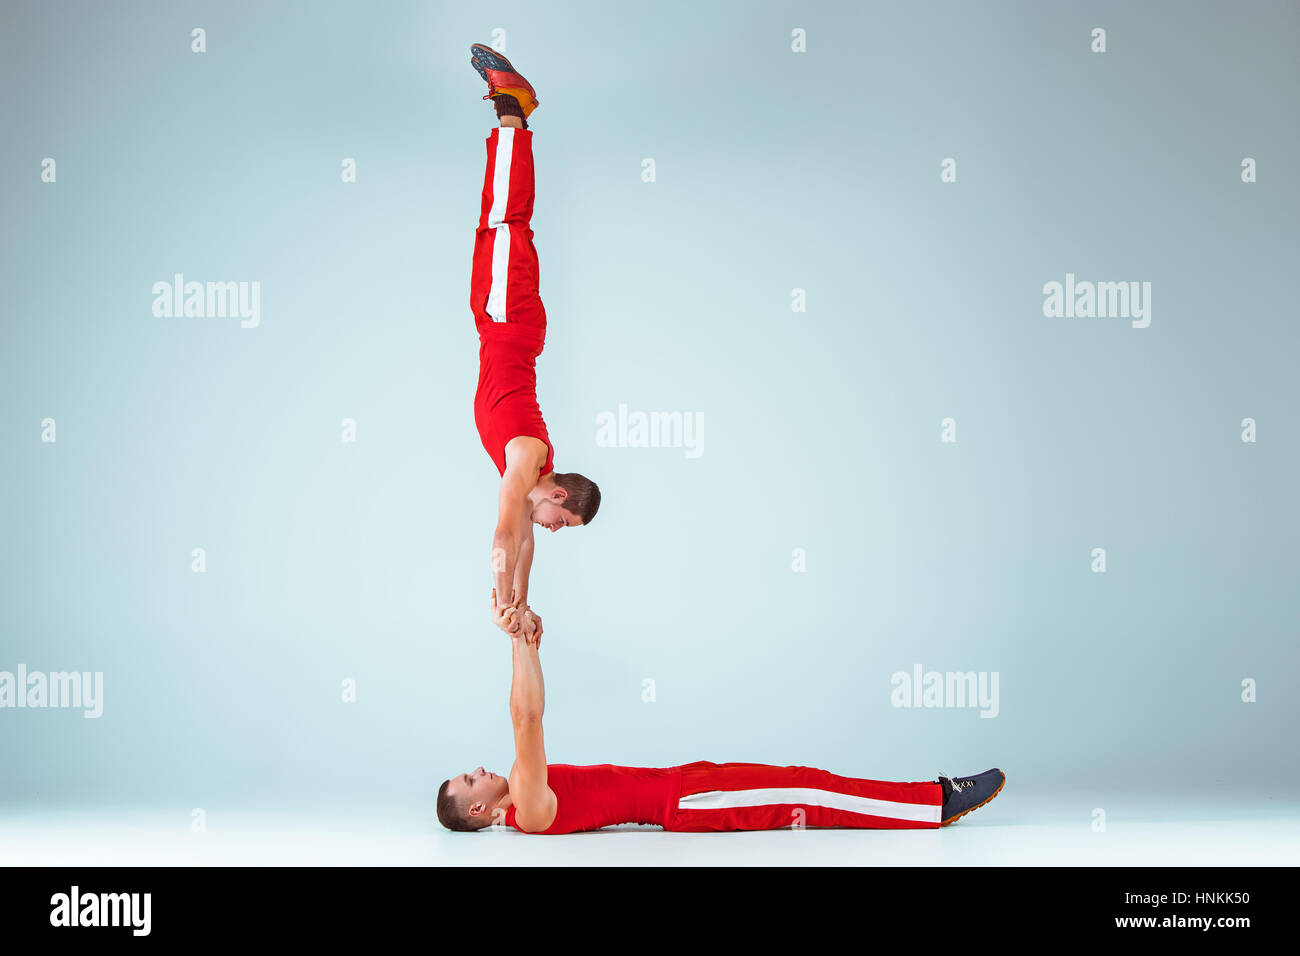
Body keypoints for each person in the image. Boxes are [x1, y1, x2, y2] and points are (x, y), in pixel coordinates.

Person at [436, 612, 1006, 834]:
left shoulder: (525, 797)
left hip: (688, 784)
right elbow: (527, 716)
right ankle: (933, 803)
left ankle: (923, 802)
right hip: (685, 804)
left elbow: (527, 715)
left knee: (804, 779)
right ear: (480, 811)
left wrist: (528, 642)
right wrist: (519, 642)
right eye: (469, 780)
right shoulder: (530, 809)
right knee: (809, 790)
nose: (479, 770)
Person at [468, 43, 600, 642]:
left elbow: (519, 544)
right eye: (563, 522)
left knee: (503, 223)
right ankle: (511, 110)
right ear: (561, 495)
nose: (552, 528)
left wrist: (520, 605)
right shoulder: (524, 458)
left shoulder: (528, 480)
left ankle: (512, 112)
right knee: (503, 222)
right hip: (509, 321)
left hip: (508, 323)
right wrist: (499, 600)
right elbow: (503, 538)